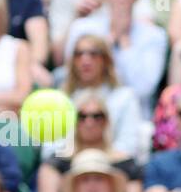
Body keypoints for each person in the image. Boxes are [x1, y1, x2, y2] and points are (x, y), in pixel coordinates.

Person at [63, 0, 166, 114]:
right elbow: (72, 75)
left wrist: (124, 42)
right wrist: (109, 42)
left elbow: (143, 89)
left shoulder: (154, 35)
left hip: (135, 114)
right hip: (85, 112)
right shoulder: (82, 27)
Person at [37, 90, 142, 192]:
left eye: (97, 116)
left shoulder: (126, 164)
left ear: (106, 121)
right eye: (82, 116)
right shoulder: (55, 164)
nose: (89, 122)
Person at [56, 33, 145, 161]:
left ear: (106, 60)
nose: (85, 60)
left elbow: (128, 146)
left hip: (113, 166)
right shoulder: (60, 99)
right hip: (69, 166)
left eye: (93, 54)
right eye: (79, 54)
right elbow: (52, 148)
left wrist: (96, 165)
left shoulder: (125, 97)